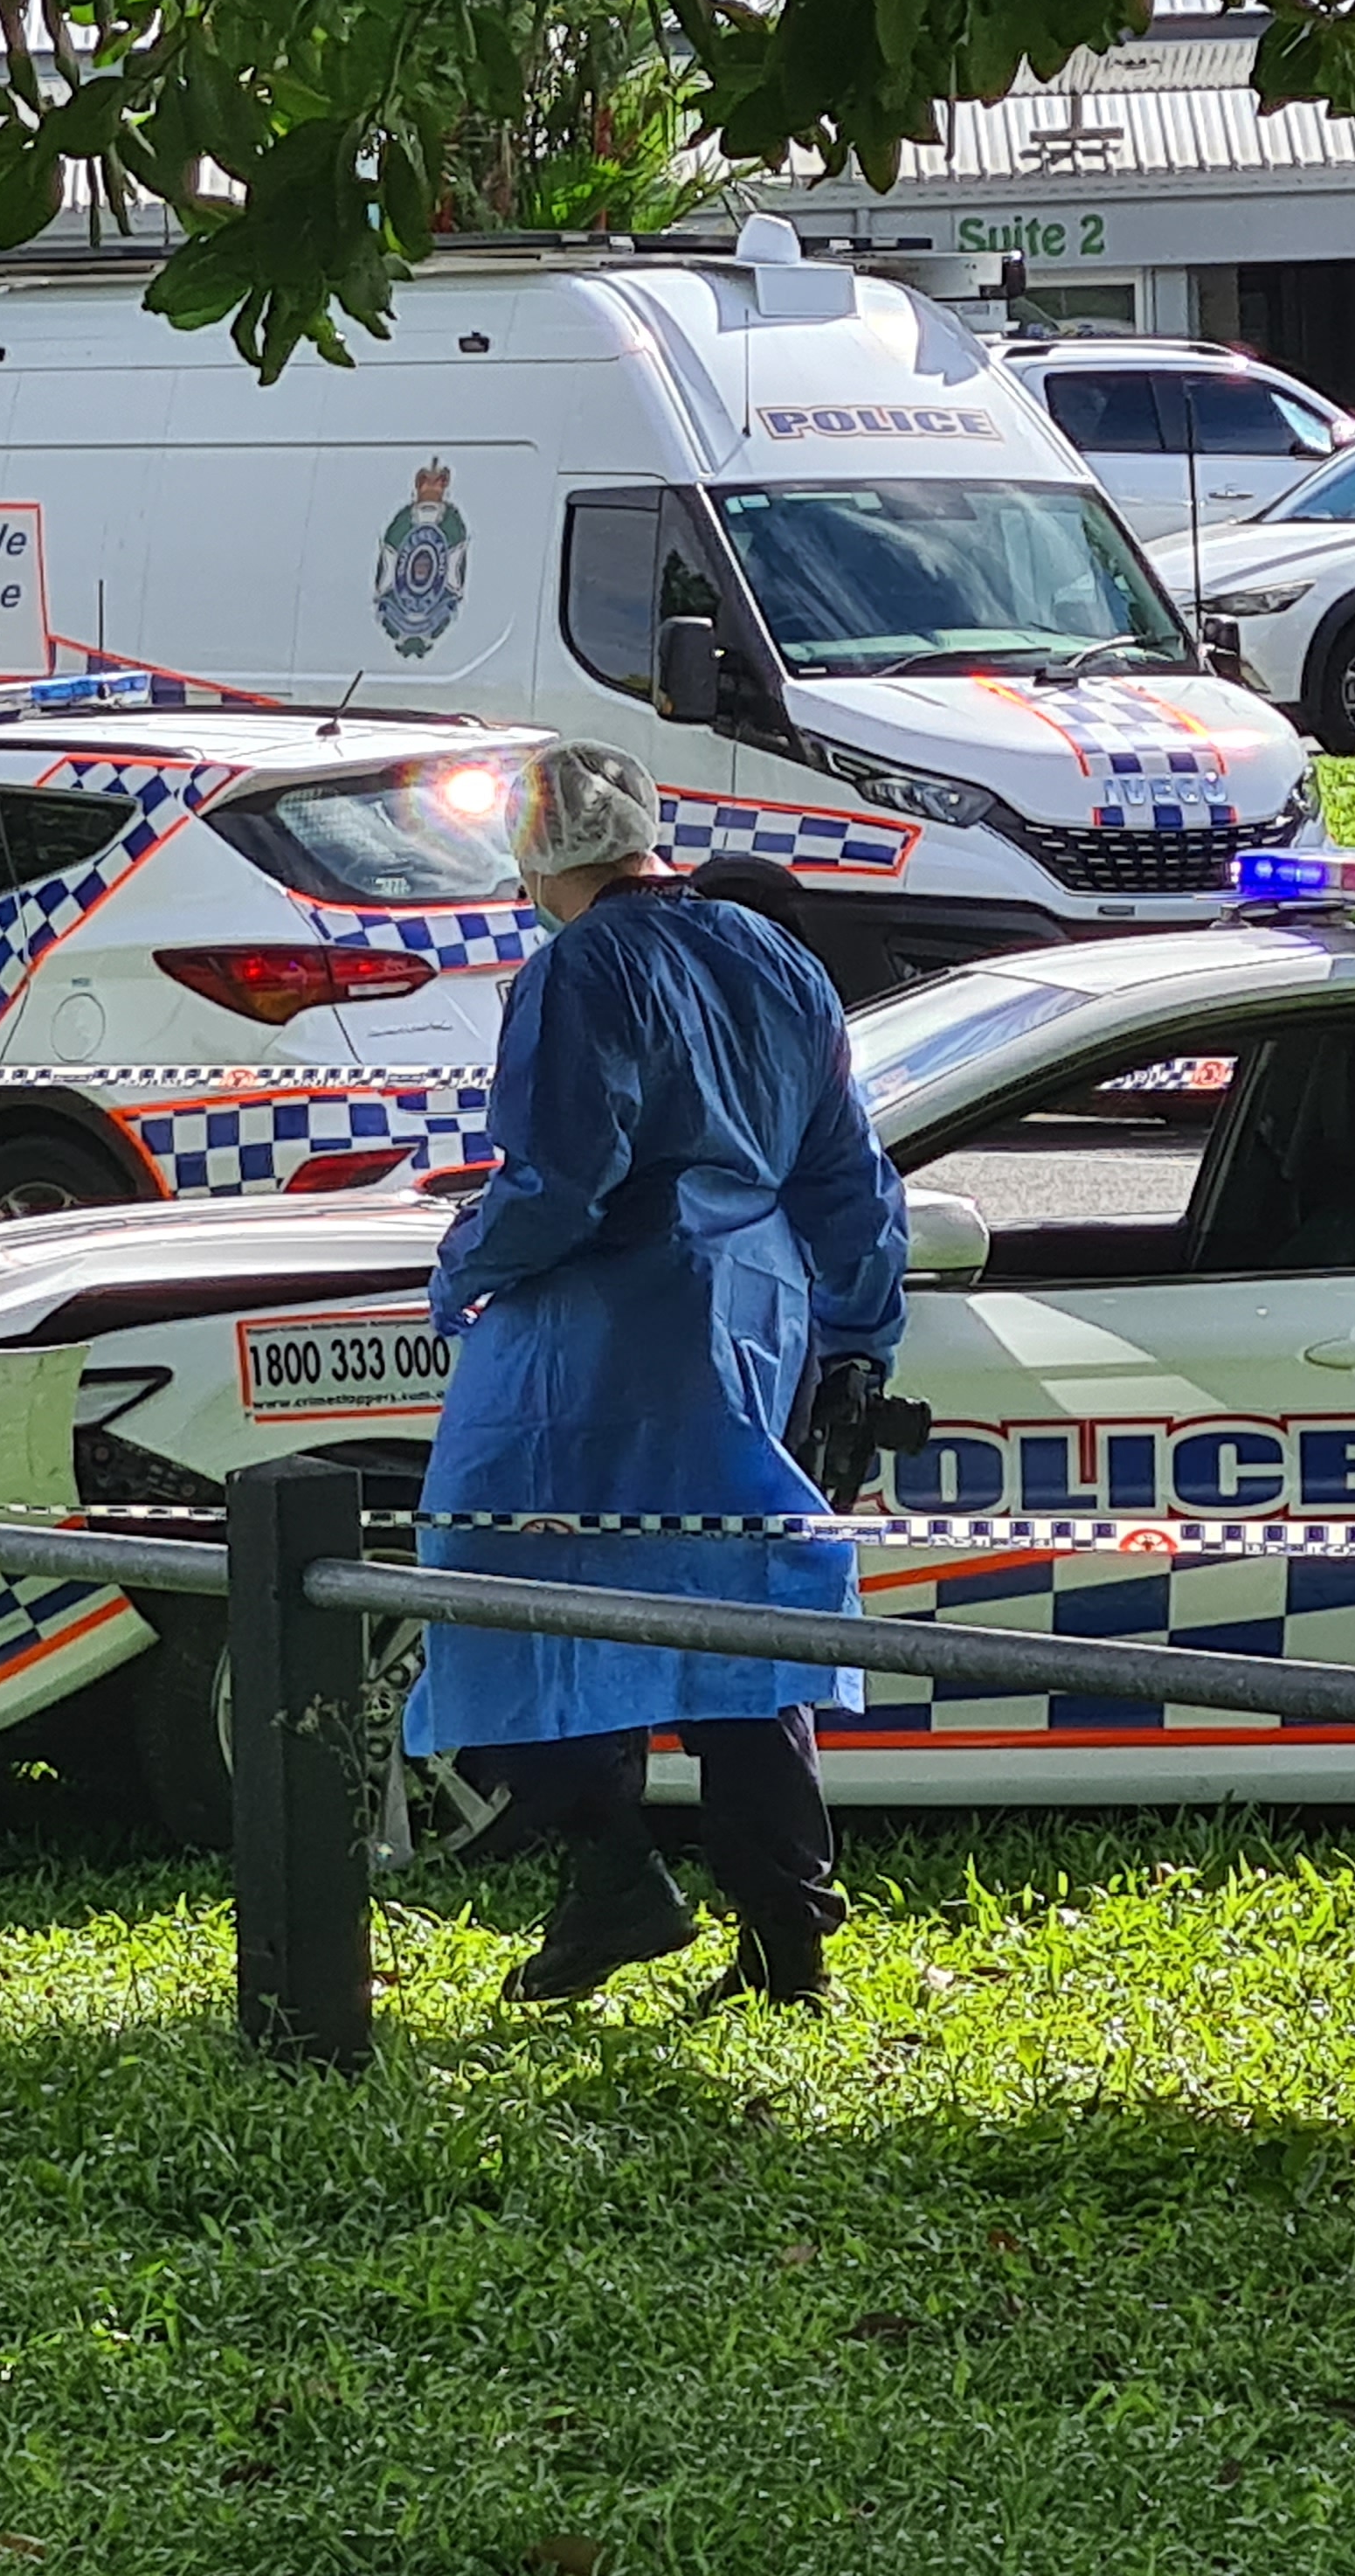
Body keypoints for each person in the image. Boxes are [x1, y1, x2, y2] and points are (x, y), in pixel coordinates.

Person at [409, 741, 910, 2010]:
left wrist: (463, 1262)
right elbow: (849, 1175)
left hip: (601, 1333)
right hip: (756, 1316)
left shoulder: (579, 969)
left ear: (532, 856)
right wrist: (857, 1336)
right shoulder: (772, 954)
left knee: (505, 1580)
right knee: (741, 1618)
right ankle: (787, 1937)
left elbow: (560, 1178)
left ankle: (611, 1872)